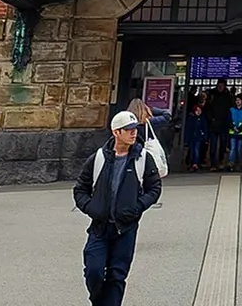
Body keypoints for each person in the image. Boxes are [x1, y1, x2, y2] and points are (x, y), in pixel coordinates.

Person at [74, 110, 164, 306]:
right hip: (100, 227)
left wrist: (138, 206)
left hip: (126, 228)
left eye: (135, 129)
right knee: (94, 272)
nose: (133, 133)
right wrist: (92, 208)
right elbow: (80, 188)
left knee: (117, 275)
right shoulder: (99, 158)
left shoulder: (142, 158)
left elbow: (154, 187)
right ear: (116, 132)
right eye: (128, 130)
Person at [127, 98, 170, 178]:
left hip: (133, 155)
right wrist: (152, 109)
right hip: (148, 155)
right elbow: (167, 116)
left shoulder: (128, 124)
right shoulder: (149, 122)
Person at [184, 92, 209, 172]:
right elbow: (188, 129)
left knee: (197, 150)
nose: (198, 112)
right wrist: (186, 139)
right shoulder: (191, 119)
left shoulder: (202, 119)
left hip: (198, 137)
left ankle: (195, 164)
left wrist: (205, 138)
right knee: (192, 151)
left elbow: (205, 128)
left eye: (199, 110)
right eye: (197, 110)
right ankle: (192, 163)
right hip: (192, 137)